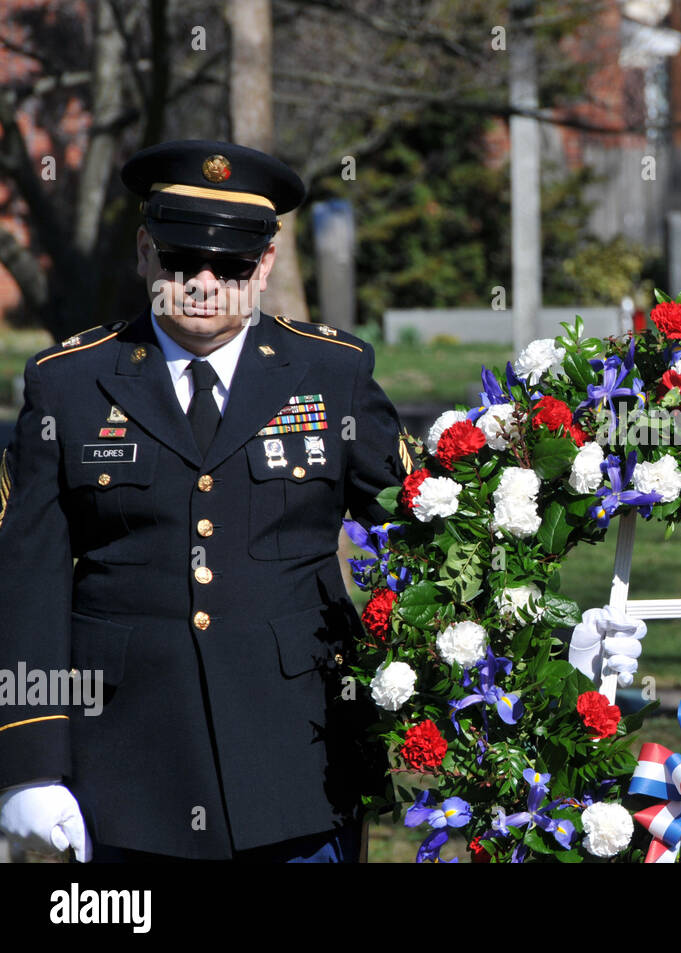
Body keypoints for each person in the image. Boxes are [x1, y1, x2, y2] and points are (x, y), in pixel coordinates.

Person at [0, 140, 410, 861]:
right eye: (181, 259)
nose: (203, 281)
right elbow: (24, 580)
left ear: (269, 262)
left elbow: (427, 524)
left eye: (231, 264)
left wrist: (533, 629)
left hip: (299, 767)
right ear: (143, 253)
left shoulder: (331, 372)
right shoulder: (69, 383)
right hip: (124, 775)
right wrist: (28, 764)